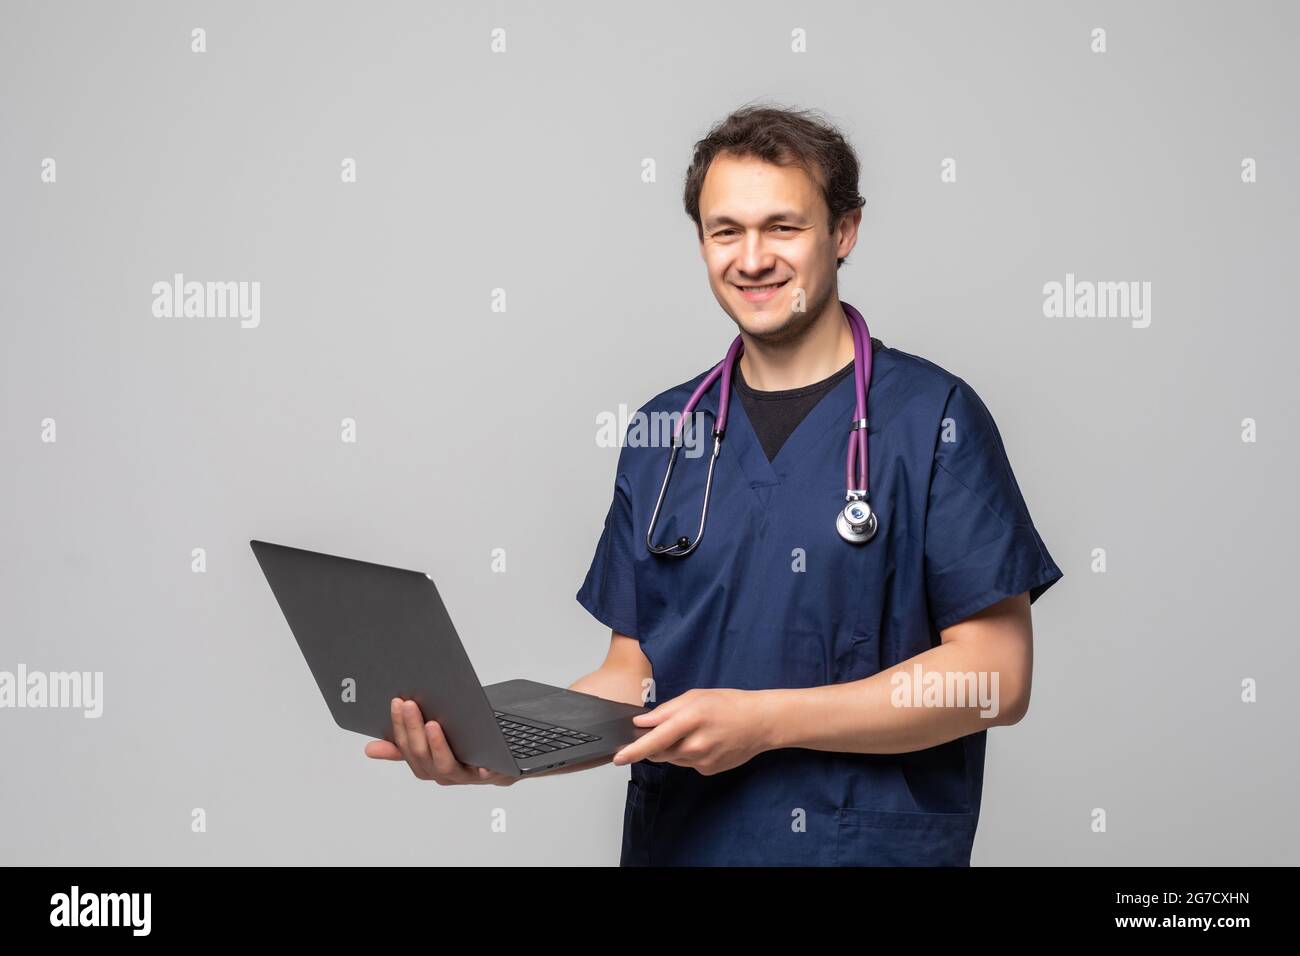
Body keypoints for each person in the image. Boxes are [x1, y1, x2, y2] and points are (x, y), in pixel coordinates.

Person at [366, 103, 1064, 867]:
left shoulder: (933, 420)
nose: (752, 258)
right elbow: (634, 676)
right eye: (725, 230)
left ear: (845, 231)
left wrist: (767, 721)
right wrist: (505, 750)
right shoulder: (666, 431)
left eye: (783, 227)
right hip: (683, 846)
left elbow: (994, 679)